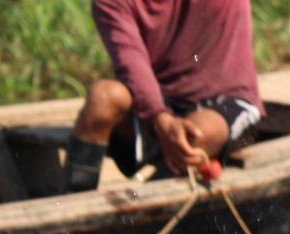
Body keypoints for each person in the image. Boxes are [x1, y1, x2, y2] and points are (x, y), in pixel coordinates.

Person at [63, 0, 264, 193]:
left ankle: (142, 209)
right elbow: (133, 66)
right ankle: (73, 204)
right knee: (103, 97)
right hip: (156, 102)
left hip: (224, 98)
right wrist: (160, 118)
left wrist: (164, 122)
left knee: (193, 137)